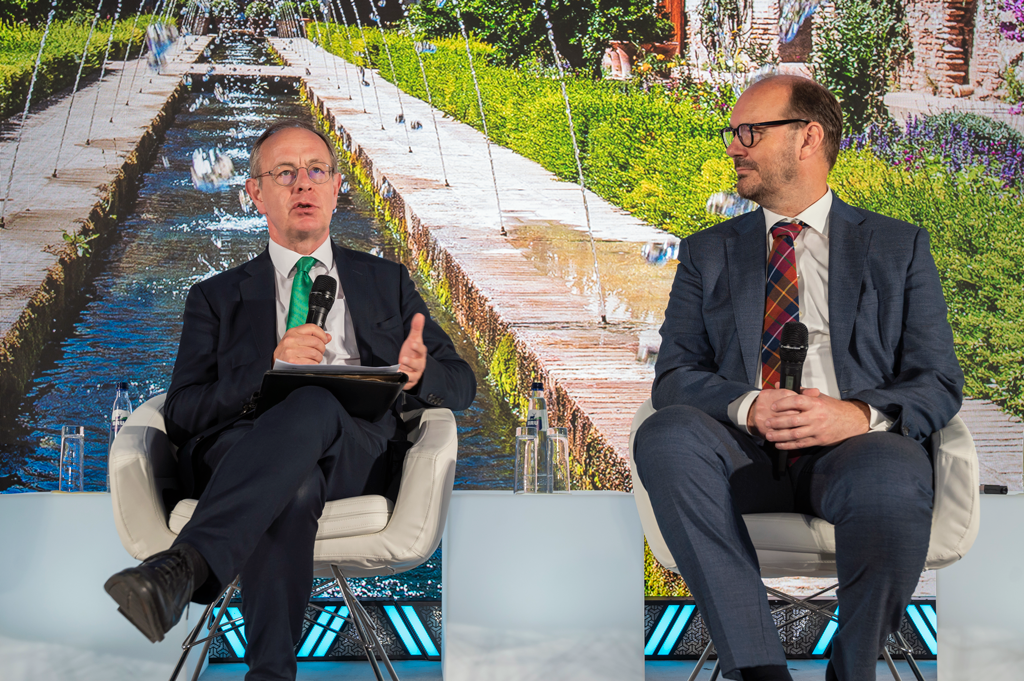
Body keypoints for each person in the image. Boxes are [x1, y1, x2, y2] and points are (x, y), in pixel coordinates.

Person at [104, 119, 476, 681]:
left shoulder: (386, 282)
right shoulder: (215, 297)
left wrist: (418, 375)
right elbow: (181, 411)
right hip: (239, 449)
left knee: (317, 405)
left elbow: (461, 383)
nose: (303, 185)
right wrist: (268, 370)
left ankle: (184, 568)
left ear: (335, 188)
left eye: (316, 172)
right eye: (284, 173)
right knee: (296, 481)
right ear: (255, 193)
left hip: (358, 453)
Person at [632, 75, 962, 681]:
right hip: (738, 455)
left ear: (808, 138)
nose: (734, 146)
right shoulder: (708, 252)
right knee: (667, 435)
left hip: (853, 453)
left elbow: (937, 380)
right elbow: (675, 376)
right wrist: (749, 406)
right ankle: (759, 670)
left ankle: (852, 671)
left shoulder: (898, 246)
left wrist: (857, 415)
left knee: (894, 473)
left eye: (749, 132)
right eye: (734, 133)